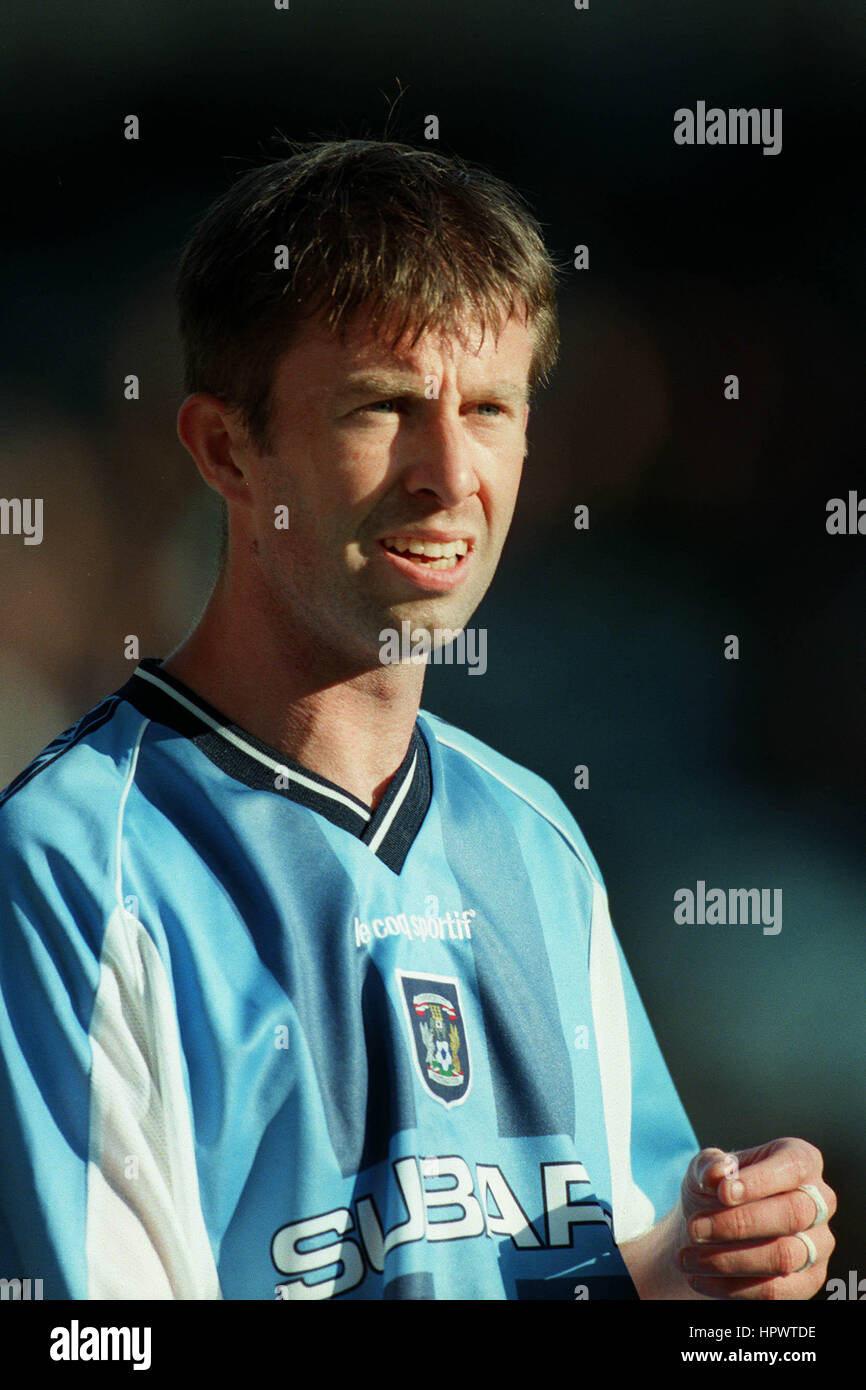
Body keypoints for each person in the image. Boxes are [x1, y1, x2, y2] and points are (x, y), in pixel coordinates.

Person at [0, 139, 835, 1300]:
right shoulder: (72, 861)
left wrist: (713, 1268)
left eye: (489, 407)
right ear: (225, 447)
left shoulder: (533, 837)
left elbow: (610, 1259)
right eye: (384, 406)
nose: (449, 471)